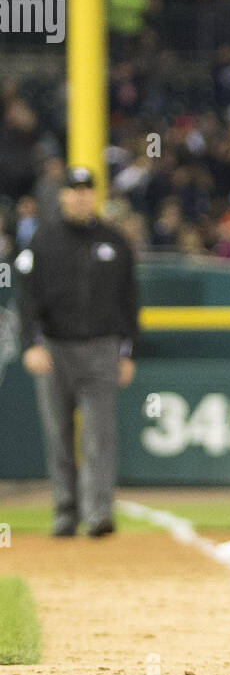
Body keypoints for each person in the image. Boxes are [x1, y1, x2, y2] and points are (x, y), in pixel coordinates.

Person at [16, 166, 140, 538]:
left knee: (99, 435)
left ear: (94, 195)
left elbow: (130, 300)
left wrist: (128, 351)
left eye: (87, 189)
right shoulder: (43, 239)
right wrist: (31, 344)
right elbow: (27, 299)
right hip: (55, 348)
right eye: (74, 189)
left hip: (102, 347)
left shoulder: (115, 241)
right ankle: (65, 511)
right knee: (59, 435)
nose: (81, 195)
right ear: (63, 195)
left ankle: (99, 512)